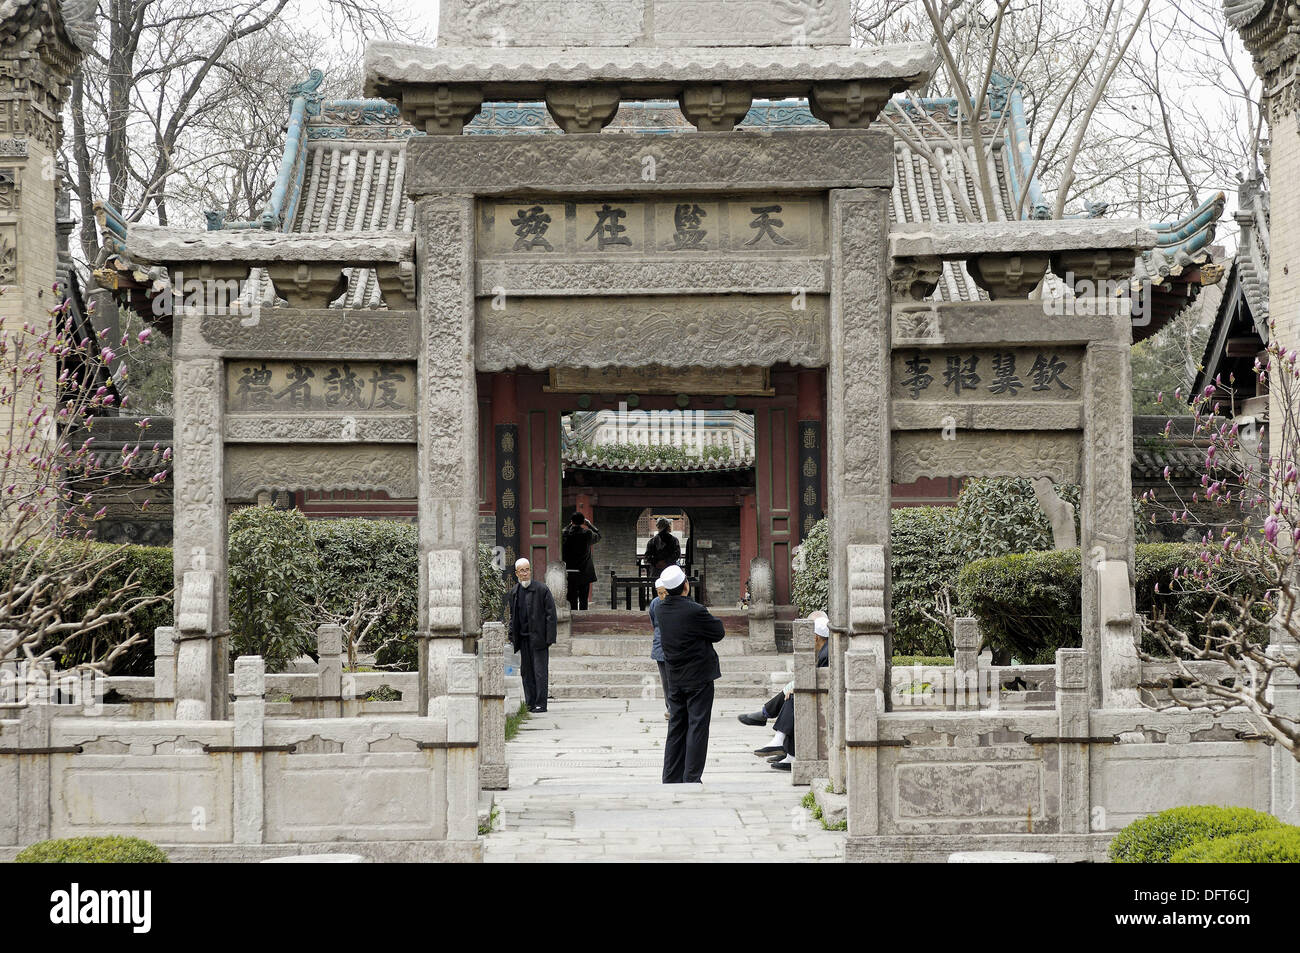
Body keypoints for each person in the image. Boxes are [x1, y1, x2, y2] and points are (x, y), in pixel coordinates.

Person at [657, 565, 725, 783]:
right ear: (686, 585)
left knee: (676, 726)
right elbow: (718, 632)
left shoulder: (660, 609)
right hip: (698, 677)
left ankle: (670, 776)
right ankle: (692, 777)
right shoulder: (695, 610)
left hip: (675, 677)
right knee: (697, 725)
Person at [737, 615, 830, 771]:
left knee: (794, 695)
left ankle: (780, 739)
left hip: (827, 700)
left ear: (815, 637)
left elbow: (824, 680)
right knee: (793, 693)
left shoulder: (826, 653)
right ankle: (787, 751)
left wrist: (799, 687)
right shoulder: (825, 650)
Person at [506, 557, 557, 713]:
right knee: (526, 672)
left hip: (539, 638)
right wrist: (511, 635)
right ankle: (530, 702)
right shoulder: (515, 592)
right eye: (522, 570)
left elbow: (551, 615)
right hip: (523, 639)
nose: (525, 573)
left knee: (540, 672)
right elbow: (513, 616)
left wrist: (549, 638)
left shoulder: (542, 589)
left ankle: (541, 704)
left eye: (527, 569)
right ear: (516, 573)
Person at [560, 510, 600, 611]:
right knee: (583, 600)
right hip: (584, 571)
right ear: (583, 522)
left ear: (572, 521)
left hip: (570, 572)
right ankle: (583, 619)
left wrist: (569, 525)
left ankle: (572, 620)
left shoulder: (565, 534)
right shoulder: (587, 534)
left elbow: (562, 532)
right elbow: (599, 535)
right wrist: (589, 525)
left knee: (571, 599)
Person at [647, 583, 669, 720]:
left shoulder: (675, 603)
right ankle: (670, 707)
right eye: (660, 593)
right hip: (660, 645)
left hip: (676, 646)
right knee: (666, 681)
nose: (663, 596)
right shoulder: (655, 603)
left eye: (665, 593)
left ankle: (677, 708)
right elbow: (652, 621)